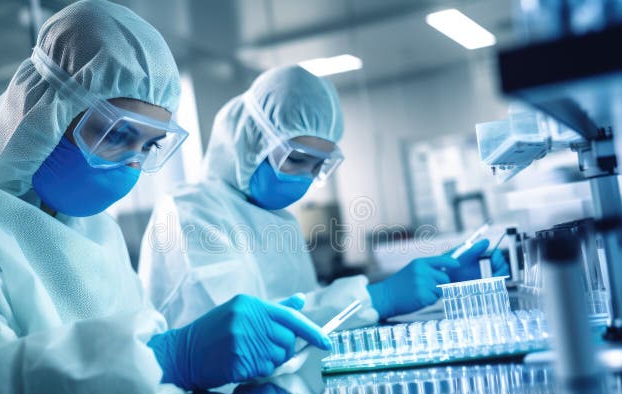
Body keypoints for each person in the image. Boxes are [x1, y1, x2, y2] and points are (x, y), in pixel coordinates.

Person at [0, 1, 329, 394]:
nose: (131, 164)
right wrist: (164, 359)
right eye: (119, 134)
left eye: (149, 145)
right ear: (46, 111)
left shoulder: (92, 231)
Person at [138, 66, 509, 330]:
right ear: (249, 141)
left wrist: (441, 280)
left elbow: (304, 303)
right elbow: (241, 330)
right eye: (296, 159)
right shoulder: (190, 212)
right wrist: (378, 299)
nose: (304, 178)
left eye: (317, 167)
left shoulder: (275, 219)